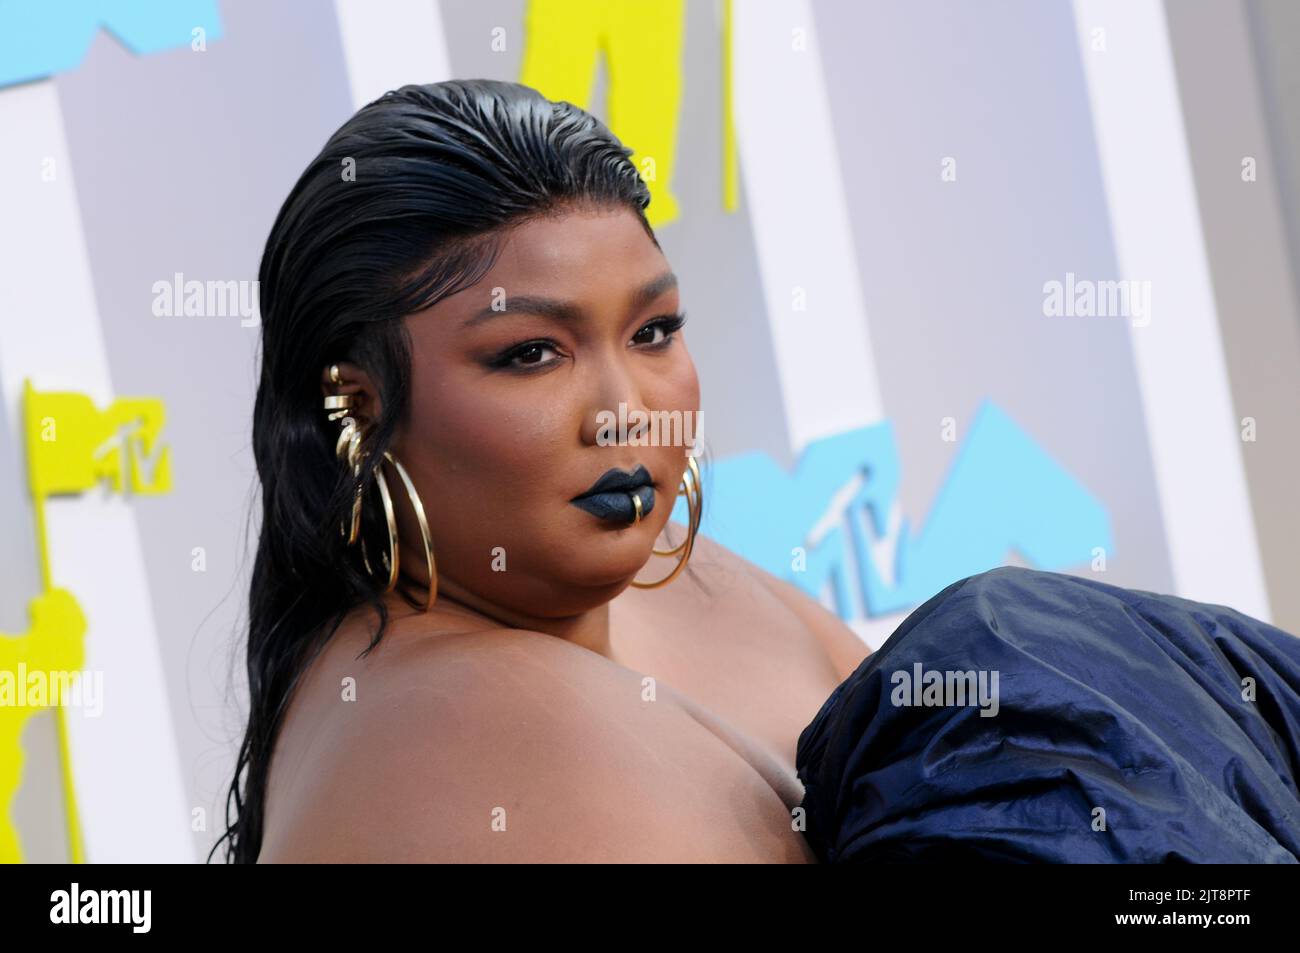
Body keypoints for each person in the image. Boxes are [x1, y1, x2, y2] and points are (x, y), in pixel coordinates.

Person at [211, 78, 870, 864]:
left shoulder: (689, 581)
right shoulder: (460, 725)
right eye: (531, 353)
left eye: (653, 331)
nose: (625, 411)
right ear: (359, 407)